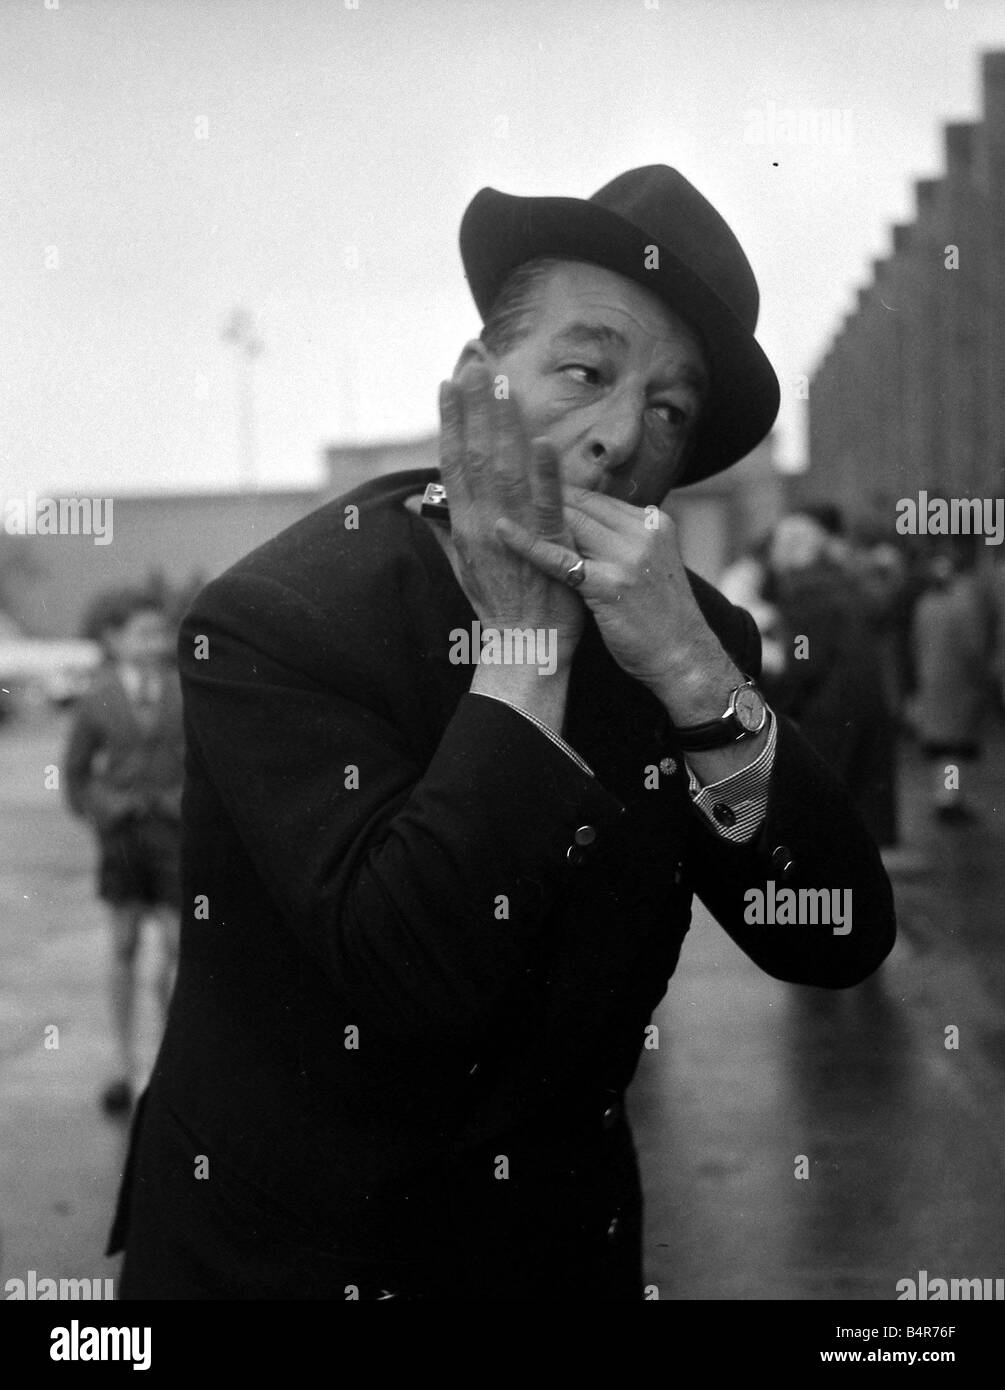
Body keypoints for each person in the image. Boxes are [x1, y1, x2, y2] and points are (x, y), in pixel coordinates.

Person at [107, 165, 895, 1299]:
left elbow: (836, 933)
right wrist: (525, 651)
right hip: (287, 1258)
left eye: (670, 409)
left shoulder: (685, 635)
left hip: (550, 1258)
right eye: (585, 370)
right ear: (479, 386)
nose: (621, 436)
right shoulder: (284, 616)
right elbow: (413, 979)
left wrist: (691, 673)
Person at [63, 591, 183, 1115]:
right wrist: (103, 811)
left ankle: (172, 1064)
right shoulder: (98, 696)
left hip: (176, 837)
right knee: (124, 945)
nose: (155, 643)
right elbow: (76, 773)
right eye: (143, 633)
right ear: (115, 641)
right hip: (124, 837)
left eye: (161, 632)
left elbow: (208, 760)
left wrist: (188, 802)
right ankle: (124, 1063)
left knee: (179, 947)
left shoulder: (187, 690)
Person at [910, 537, 997, 823]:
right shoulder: (965, 601)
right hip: (958, 684)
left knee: (942, 748)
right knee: (953, 748)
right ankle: (949, 801)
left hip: (930, 680)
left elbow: (915, 642)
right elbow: (974, 646)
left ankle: (945, 798)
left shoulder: (925, 603)